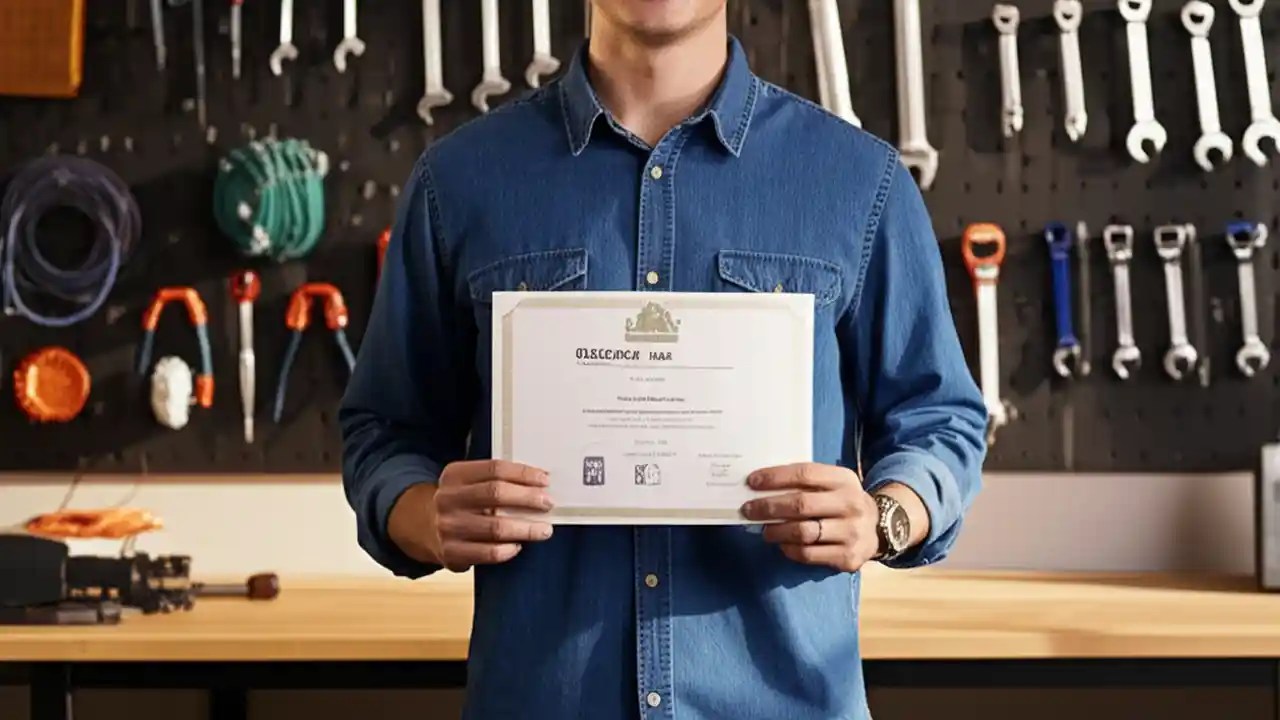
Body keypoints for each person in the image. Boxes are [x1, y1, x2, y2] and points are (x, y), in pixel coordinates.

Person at [340, 0, 988, 717]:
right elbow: (385, 430)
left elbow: (940, 420)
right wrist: (425, 516)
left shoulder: (858, 181)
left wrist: (883, 517)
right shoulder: (459, 180)